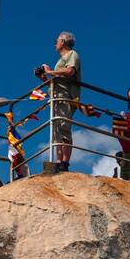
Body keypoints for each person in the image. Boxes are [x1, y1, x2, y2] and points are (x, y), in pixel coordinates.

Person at [40, 31, 81, 171]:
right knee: (56, 130)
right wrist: (44, 77)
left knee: (63, 127)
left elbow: (70, 71)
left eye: (57, 40)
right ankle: (58, 162)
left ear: (63, 41)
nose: (55, 43)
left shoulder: (72, 54)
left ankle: (65, 163)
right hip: (56, 96)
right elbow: (55, 80)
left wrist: (50, 72)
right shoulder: (60, 60)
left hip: (65, 96)